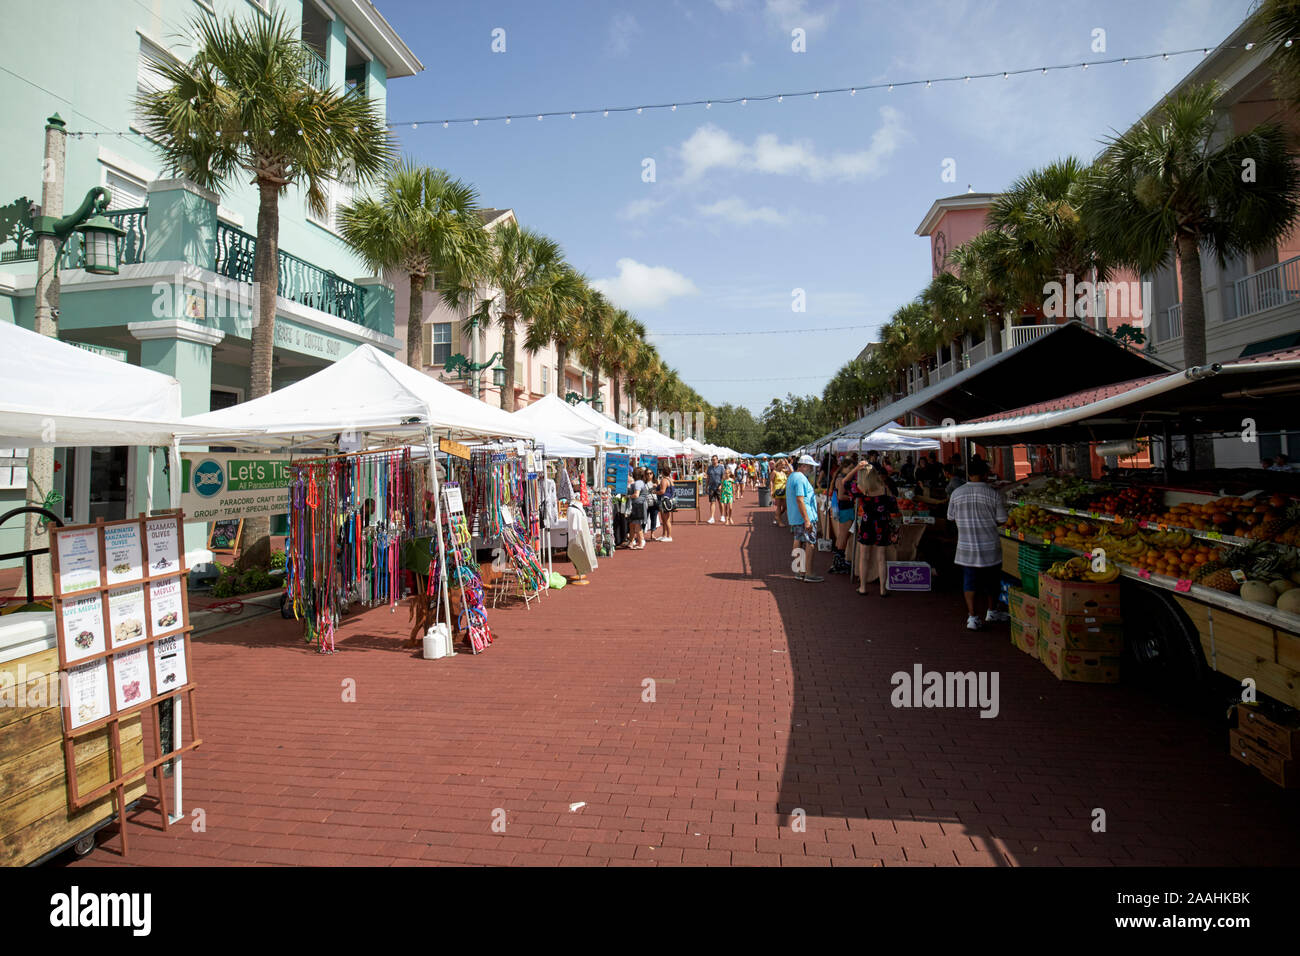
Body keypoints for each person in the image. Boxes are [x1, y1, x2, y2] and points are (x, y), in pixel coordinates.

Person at [947, 458, 1009, 631]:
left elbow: (950, 517)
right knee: (992, 581)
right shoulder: (992, 493)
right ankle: (992, 611)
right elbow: (1002, 519)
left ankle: (972, 617)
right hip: (990, 545)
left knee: (969, 581)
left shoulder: (957, 493)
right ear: (984, 474)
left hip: (966, 546)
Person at [850, 461, 900, 596]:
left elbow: (844, 482)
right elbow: (894, 507)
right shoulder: (884, 488)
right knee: (881, 558)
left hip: (867, 524)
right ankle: (883, 589)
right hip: (882, 524)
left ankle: (863, 587)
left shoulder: (860, 488)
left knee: (864, 557)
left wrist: (856, 468)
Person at [787, 455, 823, 582]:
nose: (812, 469)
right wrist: (807, 520)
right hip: (805, 516)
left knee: (798, 540)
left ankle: (800, 571)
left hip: (797, 516)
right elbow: (800, 499)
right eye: (811, 467)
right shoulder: (800, 478)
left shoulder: (792, 476)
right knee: (810, 543)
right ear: (804, 466)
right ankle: (809, 573)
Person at [829, 455, 858, 575]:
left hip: (844, 509)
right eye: (850, 467)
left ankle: (838, 561)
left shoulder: (840, 477)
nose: (852, 470)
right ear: (845, 467)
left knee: (842, 536)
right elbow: (841, 496)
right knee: (843, 536)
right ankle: (839, 562)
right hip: (845, 509)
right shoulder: (841, 479)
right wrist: (853, 498)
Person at [627, 467, 647, 550]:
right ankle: (636, 541)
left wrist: (628, 496)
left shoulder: (638, 483)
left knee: (637, 524)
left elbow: (636, 495)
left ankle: (641, 541)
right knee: (634, 524)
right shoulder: (640, 482)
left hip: (638, 505)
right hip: (638, 505)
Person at [654, 463, 676, 542]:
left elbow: (662, 491)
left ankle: (669, 536)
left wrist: (655, 492)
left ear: (663, 472)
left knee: (666, 520)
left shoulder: (664, 480)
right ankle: (664, 535)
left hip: (665, 501)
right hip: (668, 501)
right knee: (664, 519)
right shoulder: (670, 480)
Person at [706, 455, 725, 524]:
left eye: (714, 459)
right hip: (711, 487)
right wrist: (706, 487)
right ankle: (712, 517)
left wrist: (721, 485)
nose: (713, 461)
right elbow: (708, 478)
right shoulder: (709, 468)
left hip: (718, 487)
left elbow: (723, 477)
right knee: (712, 502)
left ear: (717, 460)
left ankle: (722, 516)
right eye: (712, 460)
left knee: (720, 502)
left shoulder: (721, 467)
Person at [772, 458, 789, 527]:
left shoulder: (784, 471)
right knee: (779, 506)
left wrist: (788, 464)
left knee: (785, 507)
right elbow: (771, 481)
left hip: (785, 490)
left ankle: (777, 516)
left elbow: (792, 471)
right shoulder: (774, 472)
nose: (783, 466)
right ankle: (779, 522)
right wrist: (771, 490)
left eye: (784, 465)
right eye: (782, 465)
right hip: (778, 490)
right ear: (778, 464)